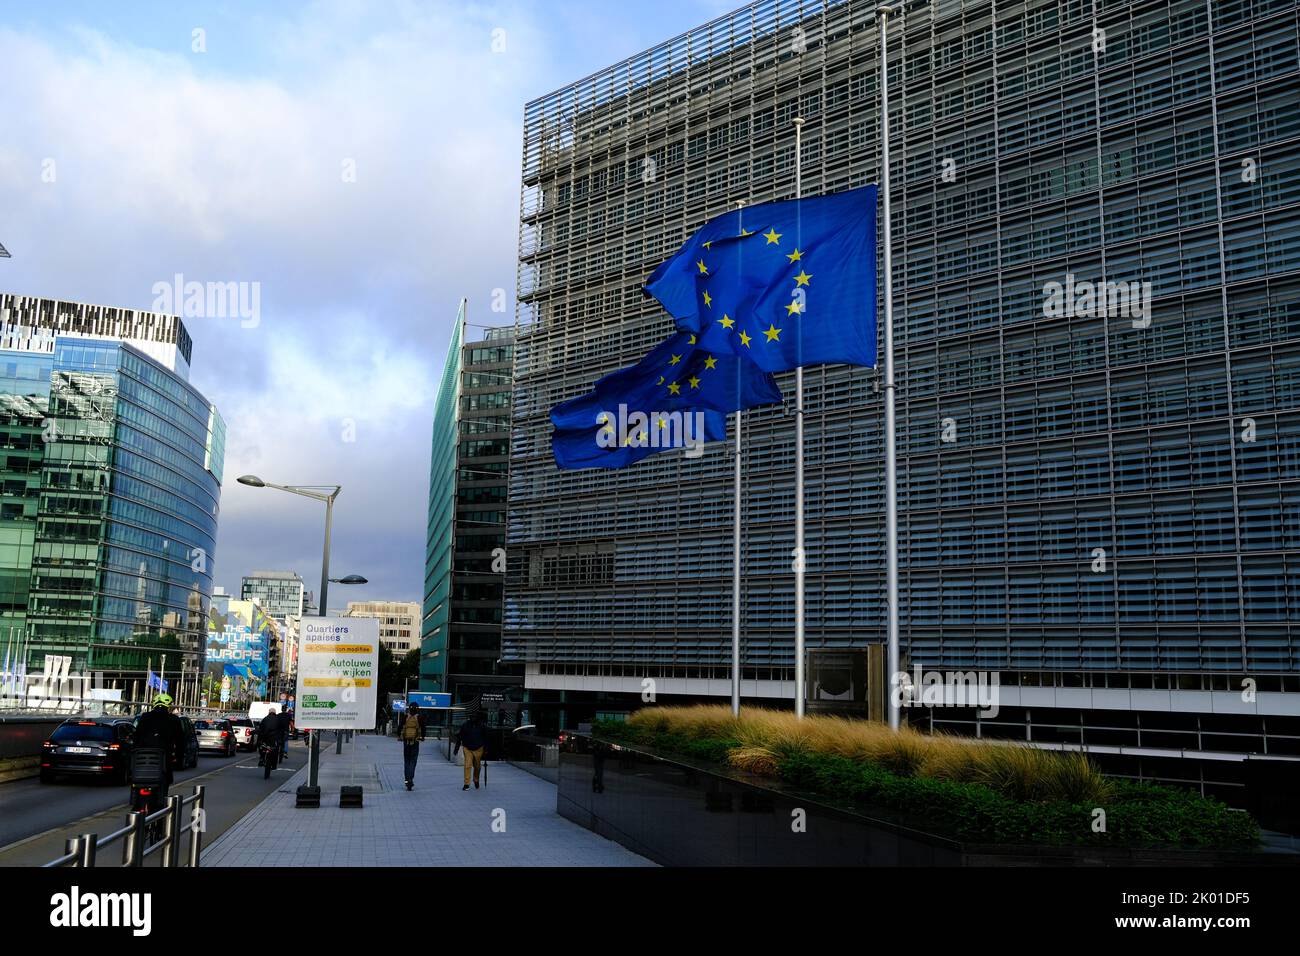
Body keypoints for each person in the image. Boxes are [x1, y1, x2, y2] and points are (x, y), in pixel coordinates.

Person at [132, 693, 184, 802]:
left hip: (141, 758)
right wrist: (179, 760)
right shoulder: (173, 719)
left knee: (137, 781)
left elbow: (136, 737)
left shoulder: (144, 717)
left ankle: (135, 802)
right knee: (164, 784)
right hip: (163, 759)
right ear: (168, 706)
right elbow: (180, 741)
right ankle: (160, 808)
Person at [454, 711, 488, 791]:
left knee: (477, 766)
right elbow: (460, 737)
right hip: (467, 748)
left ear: (477, 718)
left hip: (478, 748)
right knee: (467, 765)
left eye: (474, 717)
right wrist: (456, 748)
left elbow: (486, 738)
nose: (473, 718)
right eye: (471, 717)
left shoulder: (482, 726)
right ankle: (466, 784)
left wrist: (486, 749)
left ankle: (476, 779)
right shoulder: (465, 725)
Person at [399, 702, 425, 790]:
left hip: (406, 741)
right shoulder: (419, 717)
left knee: (406, 761)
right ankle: (410, 779)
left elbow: (399, 727)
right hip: (415, 741)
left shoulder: (406, 716)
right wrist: (422, 737)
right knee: (413, 761)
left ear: (409, 708)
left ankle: (406, 780)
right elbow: (424, 728)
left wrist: (399, 736)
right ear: (417, 708)